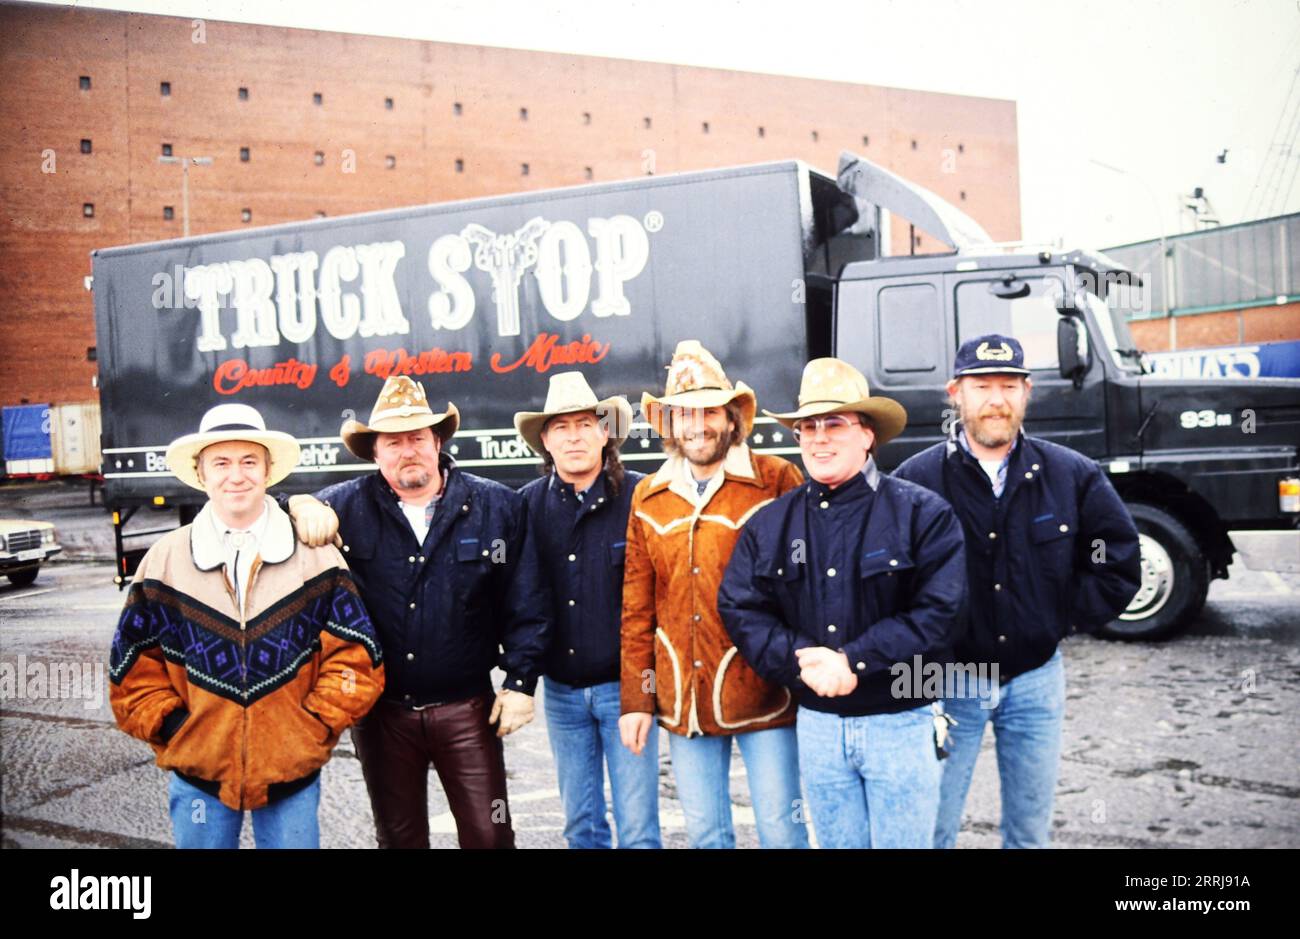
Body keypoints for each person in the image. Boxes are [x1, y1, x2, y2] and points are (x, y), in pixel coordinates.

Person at [892, 333, 1141, 848]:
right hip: (948, 681)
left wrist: (1059, 619)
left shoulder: (1072, 476)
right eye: (982, 386)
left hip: (1035, 680)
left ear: (1027, 393)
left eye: (1009, 386)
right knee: (930, 827)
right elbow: (885, 583)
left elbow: (1115, 559)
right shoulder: (916, 483)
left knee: (1029, 832)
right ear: (954, 393)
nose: (996, 400)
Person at [108, 403, 384, 849]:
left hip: (291, 772)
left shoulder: (316, 557)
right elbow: (131, 672)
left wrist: (311, 724)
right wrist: (180, 730)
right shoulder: (164, 561)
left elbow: (358, 660)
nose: (236, 476)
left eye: (248, 461)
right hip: (198, 776)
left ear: (268, 470)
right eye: (221, 462)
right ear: (201, 474)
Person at [291, 375, 550, 849]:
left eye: (417, 438)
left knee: (490, 836)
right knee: (399, 838)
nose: (407, 451)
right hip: (382, 714)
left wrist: (520, 683)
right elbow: (261, 520)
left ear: (437, 442)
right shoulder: (345, 507)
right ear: (375, 452)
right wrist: (298, 503)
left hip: (468, 709)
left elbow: (526, 599)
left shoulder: (496, 506)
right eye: (394, 442)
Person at [719, 358, 966, 848]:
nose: (819, 437)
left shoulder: (923, 513)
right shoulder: (771, 524)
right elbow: (740, 607)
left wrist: (854, 660)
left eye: (835, 423)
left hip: (902, 720)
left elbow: (939, 612)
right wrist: (799, 661)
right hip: (818, 728)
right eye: (808, 426)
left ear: (867, 435)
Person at [618, 340, 808, 849]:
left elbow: (806, 589)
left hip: (767, 692)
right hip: (685, 698)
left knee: (781, 830)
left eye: (708, 412)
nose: (696, 425)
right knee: (705, 835)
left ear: (731, 418)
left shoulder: (775, 480)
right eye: (684, 414)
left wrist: (801, 666)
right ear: (669, 423)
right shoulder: (648, 495)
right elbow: (637, 608)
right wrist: (636, 699)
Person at [515, 371, 661, 848]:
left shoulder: (642, 497)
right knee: (582, 826)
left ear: (606, 433)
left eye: (585, 424)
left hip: (628, 690)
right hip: (562, 693)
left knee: (639, 830)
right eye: (561, 427)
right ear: (545, 441)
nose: (574, 436)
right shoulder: (525, 508)